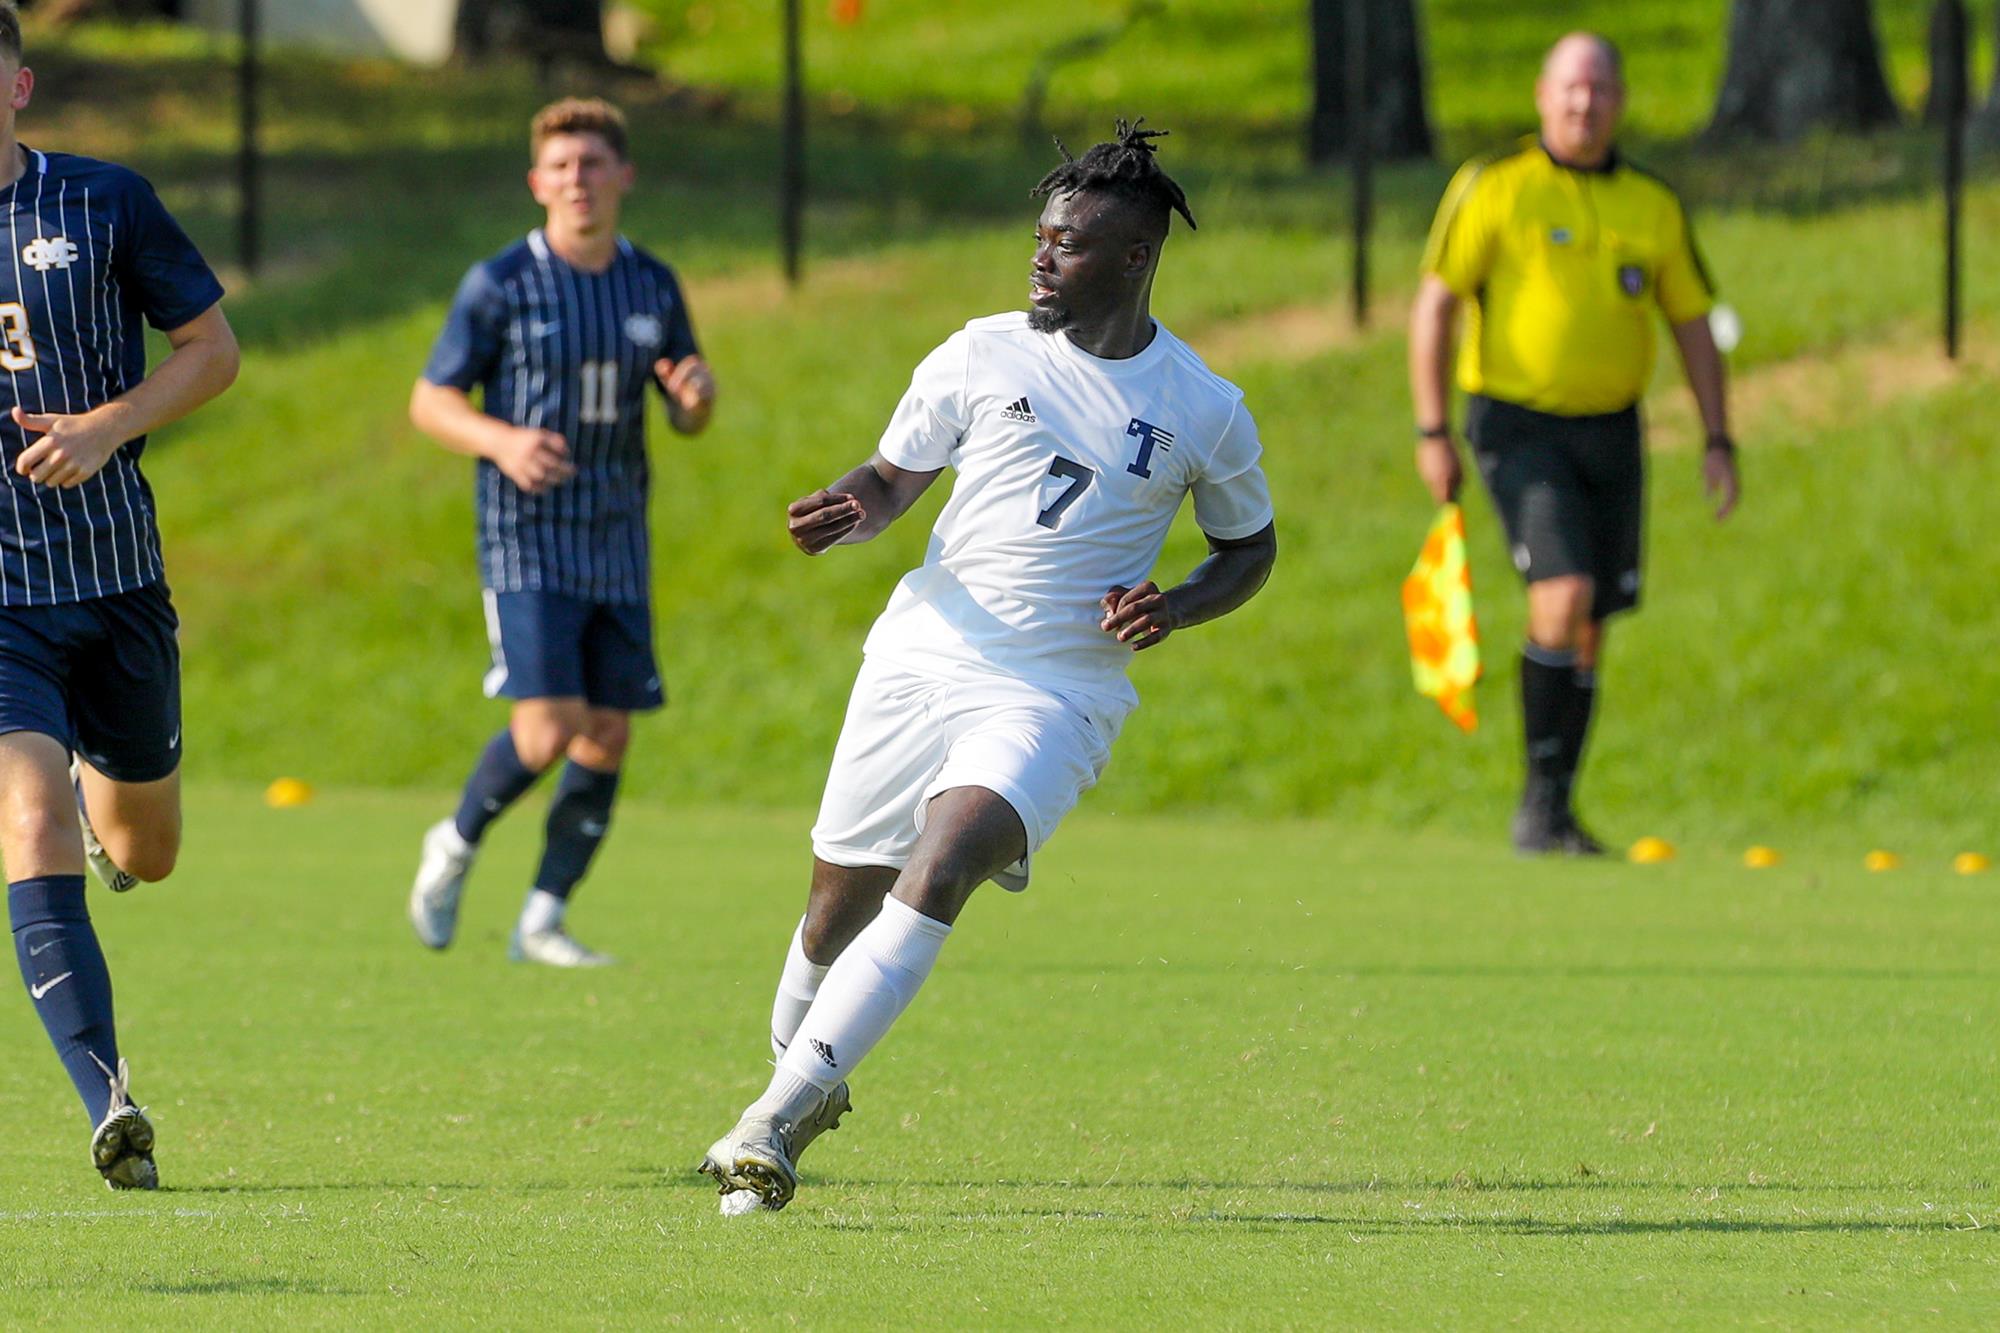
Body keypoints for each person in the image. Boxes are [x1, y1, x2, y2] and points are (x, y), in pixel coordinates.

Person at [699, 121, 1278, 1212]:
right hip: (923, 656)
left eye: (1064, 243)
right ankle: (791, 1075)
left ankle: (775, 1119)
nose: (1039, 258)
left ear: (1133, 257)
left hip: (1057, 689)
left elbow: (1249, 548)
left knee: (946, 858)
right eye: (1039, 237)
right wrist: (850, 509)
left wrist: (1180, 603)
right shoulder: (978, 351)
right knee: (832, 908)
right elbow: (890, 474)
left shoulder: (1203, 406)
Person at [0, 1, 241, 1189]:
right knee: (30, 819)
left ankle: (111, 810)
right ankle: (110, 1100)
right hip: (1, 607)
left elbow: (213, 348)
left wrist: (107, 426)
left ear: (21, 85)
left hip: (115, 580)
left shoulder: (102, 200)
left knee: (147, 850)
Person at [1408, 32, 1738, 855]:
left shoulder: (1652, 206)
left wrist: (1718, 436)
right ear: (1542, 95)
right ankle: (1536, 806)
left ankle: (1556, 807)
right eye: (1569, 89)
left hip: (1613, 429)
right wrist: (1431, 427)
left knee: (1591, 619)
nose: (1584, 104)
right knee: (1562, 595)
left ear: (1620, 100)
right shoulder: (1496, 187)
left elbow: (1692, 322)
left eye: (1599, 89)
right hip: (1517, 422)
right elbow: (1436, 306)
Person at [406, 98, 715, 967]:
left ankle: (542, 916)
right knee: (548, 727)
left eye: (593, 163)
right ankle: (455, 844)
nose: (578, 179)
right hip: (527, 533)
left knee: (607, 734)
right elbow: (431, 400)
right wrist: (501, 440)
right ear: (538, 182)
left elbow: (686, 407)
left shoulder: (652, 283)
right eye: (562, 166)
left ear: (624, 176)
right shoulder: (501, 282)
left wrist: (697, 402)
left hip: (617, 531)